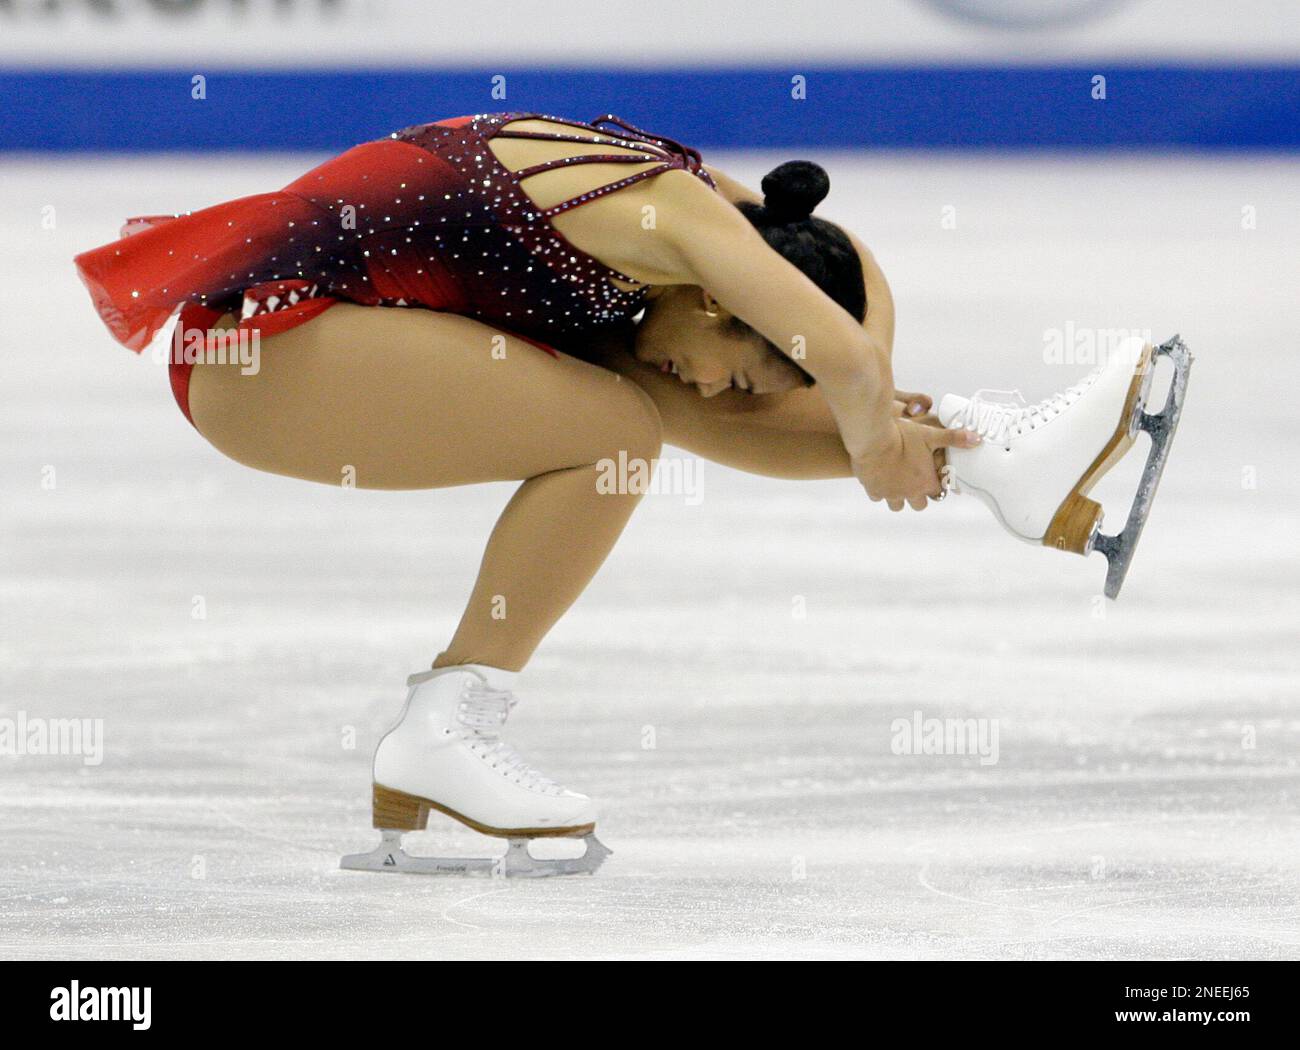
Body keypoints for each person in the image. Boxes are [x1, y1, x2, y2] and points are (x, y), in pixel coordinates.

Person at [74, 113, 1186, 876]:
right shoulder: (669, 222)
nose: (722, 387)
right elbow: (840, 364)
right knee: (620, 426)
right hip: (255, 346)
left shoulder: (723, 242)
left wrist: (892, 424)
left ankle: (998, 459)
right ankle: (444, 727)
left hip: (336, 331)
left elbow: (841, 259)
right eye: (741, 359)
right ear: (720, 296)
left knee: (652, 398)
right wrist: (868, 406)